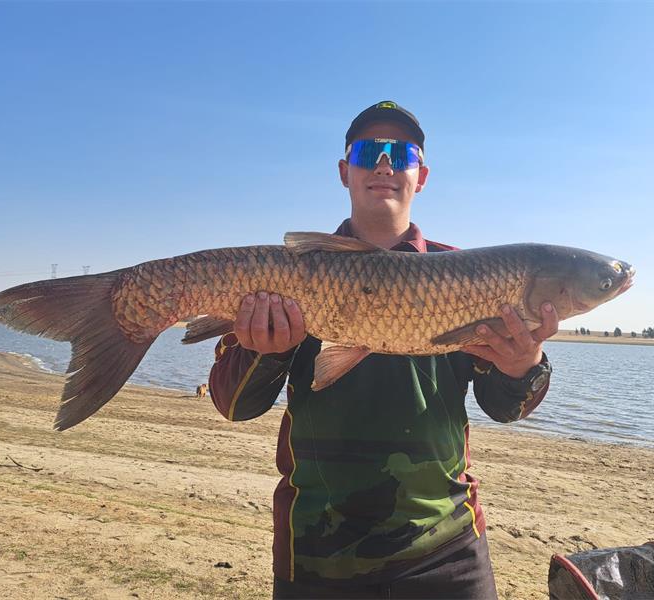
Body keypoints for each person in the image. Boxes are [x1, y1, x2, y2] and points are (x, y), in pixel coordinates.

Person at [208, 100, 558, 599]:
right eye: (370, 150)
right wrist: (269, 350)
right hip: (317, 547)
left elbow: (504, 408)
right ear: (344, 171)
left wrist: (525, 367)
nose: (385, 164)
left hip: (446, 546)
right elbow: (234, 405)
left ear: (422, 175)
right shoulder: (290, 273)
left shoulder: (469, 276)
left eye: (401, 152)